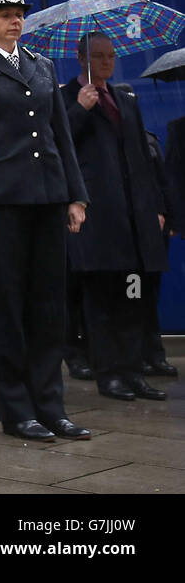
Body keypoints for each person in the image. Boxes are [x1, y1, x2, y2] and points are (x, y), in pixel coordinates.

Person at [0, 0, 90, 442]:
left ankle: (51, 406)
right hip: (0, 201)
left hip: (46, 197)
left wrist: (75, 195)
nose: (15, 20)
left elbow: (59, 133)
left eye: (19, 13)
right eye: (4, 14)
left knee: (49, 307)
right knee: (4, 308)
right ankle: (16, 408)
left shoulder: (41, 65)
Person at [61, 31, 168, 402]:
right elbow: (59, 149)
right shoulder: (65, 98)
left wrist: (155, 206)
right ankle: (109, 374)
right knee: (101, 299)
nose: (107, 62)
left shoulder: (126, 98)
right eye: (99, 56)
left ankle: (134, 371)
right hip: (97, 216)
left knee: (134, 297)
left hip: (134, 215)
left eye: (111, 56)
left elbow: (140, 155)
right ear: (81, 58)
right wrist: (80, 109)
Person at [143, 129, 178, 378]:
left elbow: (163, 181)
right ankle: (137, 356)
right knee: (132, 297)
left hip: (155, 234)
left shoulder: (149, 140)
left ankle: (153, 354)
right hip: (128, 235)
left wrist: (170, 215)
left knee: (149, 295)